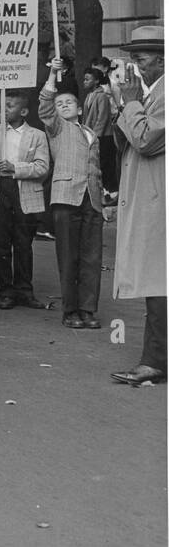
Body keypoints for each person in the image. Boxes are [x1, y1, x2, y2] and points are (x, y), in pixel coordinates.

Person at [108, 26, 166, 384]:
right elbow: (127, 136)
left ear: (161, 60)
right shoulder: (150, 93)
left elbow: (146, 138)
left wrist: (128, 102)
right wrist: (126, 103)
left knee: (158, 279)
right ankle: (155, 357)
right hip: (151, 196)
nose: (135, 67)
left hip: (159, 199)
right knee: (157, 280)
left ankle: (154, 360)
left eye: (141, 59)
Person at [36, 58, 104, 329]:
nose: (63, 106)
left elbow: (96, 168)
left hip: (92, 199)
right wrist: (53, 72)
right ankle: (70, 310)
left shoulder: (90, 133)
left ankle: (88, 309)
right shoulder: (56, 128)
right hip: (66, 196)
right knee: (69, 255)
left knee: (92, 256)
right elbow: (45, 103)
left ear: (79, 108)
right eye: (59, 104)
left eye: (68, 103)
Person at [0, 90, 50, 310]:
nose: (4, 110)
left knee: (23, 242)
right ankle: (6, 290)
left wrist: (16, 168)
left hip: (23, 191)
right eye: (3, 106)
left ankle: (24, 290)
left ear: (23, 111)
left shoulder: (37, 135)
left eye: (10, 106)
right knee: (0, 243)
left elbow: (42, 167)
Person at [80, 65, 118, 198]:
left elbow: (102, 118)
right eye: (84, 79)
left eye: (87, 79)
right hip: (94, 135)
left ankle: (111, 192)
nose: (84, 82)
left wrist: (94, 136)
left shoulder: (101, 96)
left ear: (96, 81)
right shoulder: (89, 95)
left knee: (105, 164)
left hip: (103, 136)